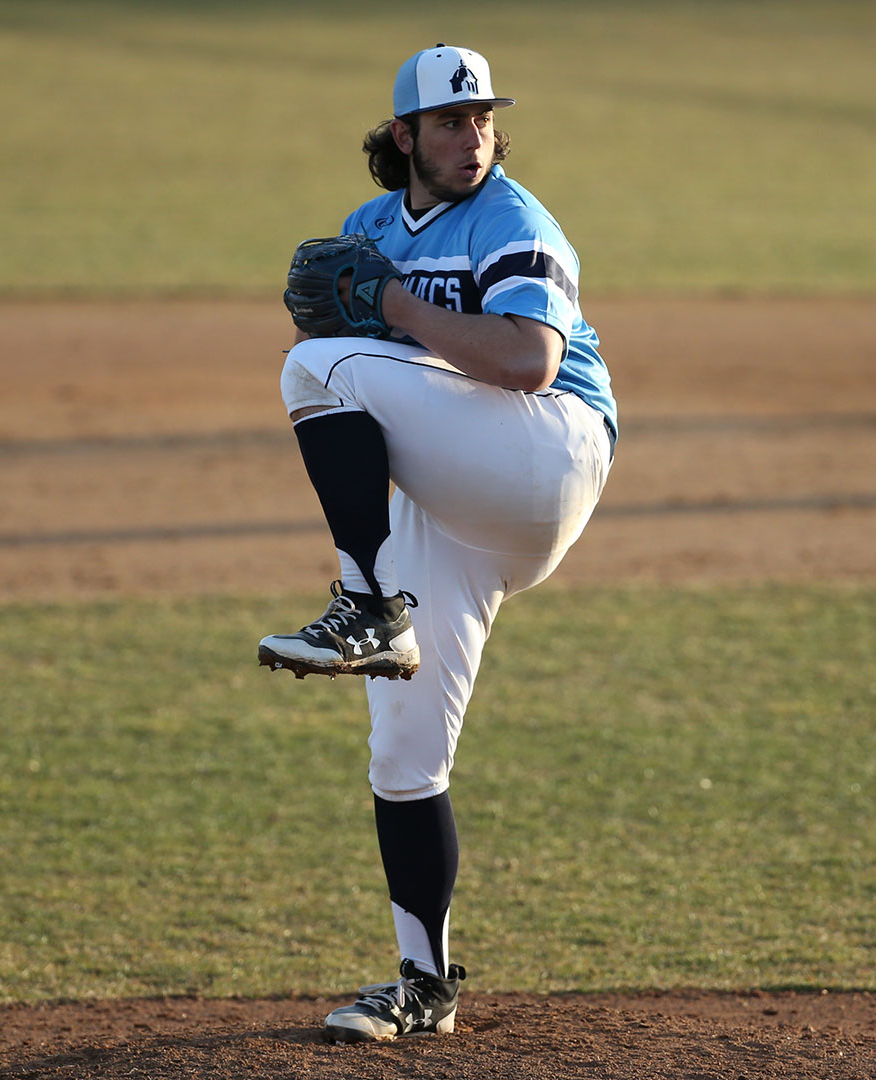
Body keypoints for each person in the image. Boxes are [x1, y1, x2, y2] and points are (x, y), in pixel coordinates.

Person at [257, 43, 617, 1043]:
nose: (474, 137)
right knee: (403, 756)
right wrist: (368, 311)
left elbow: (532, 360)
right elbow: (352, 333)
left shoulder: (514, 219)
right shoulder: (373, 226)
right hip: (453, 502)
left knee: (314, 366)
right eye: (452, 122)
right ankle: (426, 987)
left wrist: (394, 307)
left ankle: (366, 604)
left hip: (546, 458)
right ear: (405, 135)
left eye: (485, 119)